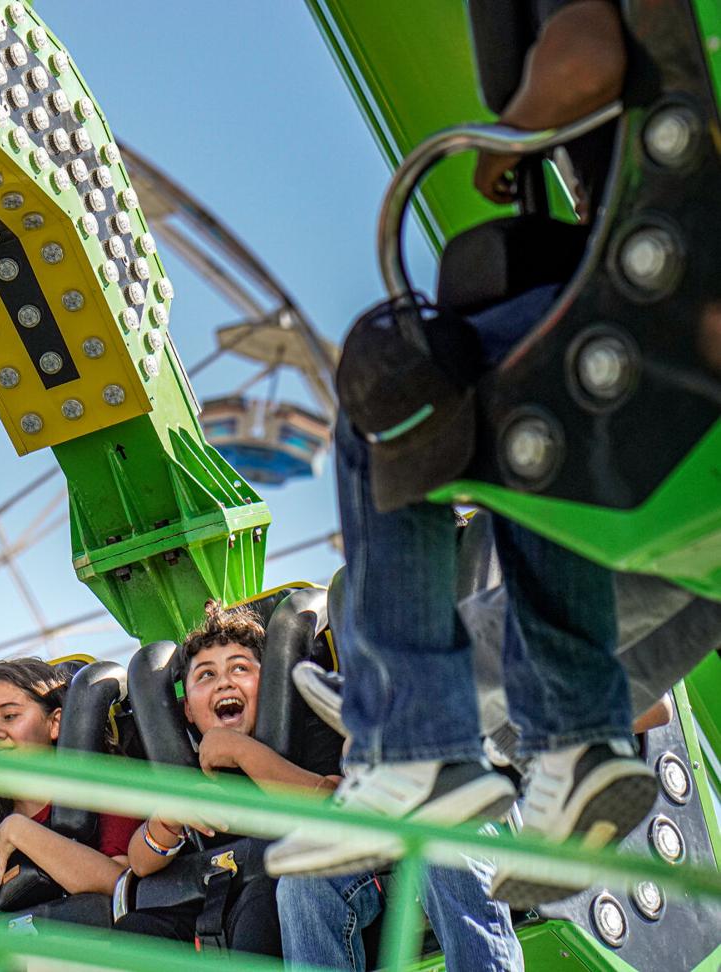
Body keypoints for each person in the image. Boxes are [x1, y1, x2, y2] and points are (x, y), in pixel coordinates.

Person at [267, 0, 657, 910]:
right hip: (652, 326)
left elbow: (589, 52)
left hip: (674, 316)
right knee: (536, 427)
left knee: (394, 395)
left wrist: (512, 135)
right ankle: (576, 743)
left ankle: (415, 746)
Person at [117, 602, 342, 958]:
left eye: (240, 668)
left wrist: (243, 752)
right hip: (207, 905)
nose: (224, 682)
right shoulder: (183, 764)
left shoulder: (307, 733)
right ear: (188, 709)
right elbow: (140, 862)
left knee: (262, 906)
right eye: (206, 675)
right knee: (133, 934)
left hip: (276, 898)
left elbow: (336, 803)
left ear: (268, 687)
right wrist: (168, 820)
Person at [0, 657, 139, 970]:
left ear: (55, 723)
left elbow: (122, 887)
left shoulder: (104, 788)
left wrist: (22, 831)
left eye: (9, 716)